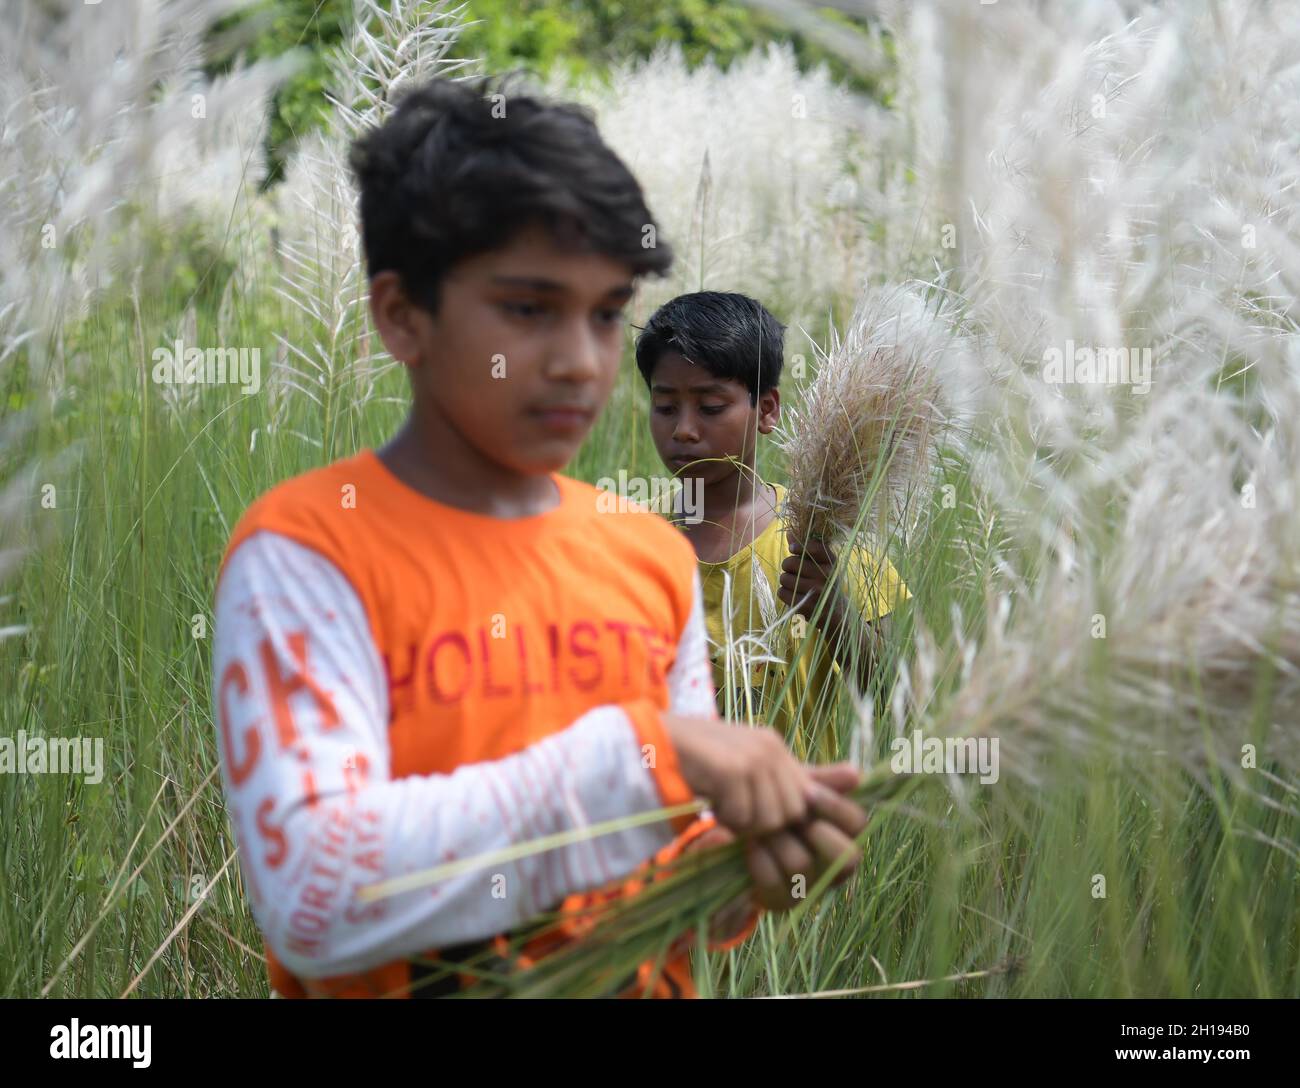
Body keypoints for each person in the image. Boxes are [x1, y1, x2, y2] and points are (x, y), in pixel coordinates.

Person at [211, 77, 868, 999]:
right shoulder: (308, 554)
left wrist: (752, 867)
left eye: (606, 313)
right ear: (402, 313)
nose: (581, 362)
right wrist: (642, 756)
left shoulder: (646, 556)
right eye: (528, 309)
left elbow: (663, 871)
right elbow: (317, 896)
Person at [636, 291, 911, 762]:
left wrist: (835, 611)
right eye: (665, 408)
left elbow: (899, 701)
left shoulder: (825, 543)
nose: (683, 429)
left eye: (710, 407)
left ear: (767, 410)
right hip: (670, 827)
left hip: (795, 824)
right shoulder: (629, 543)